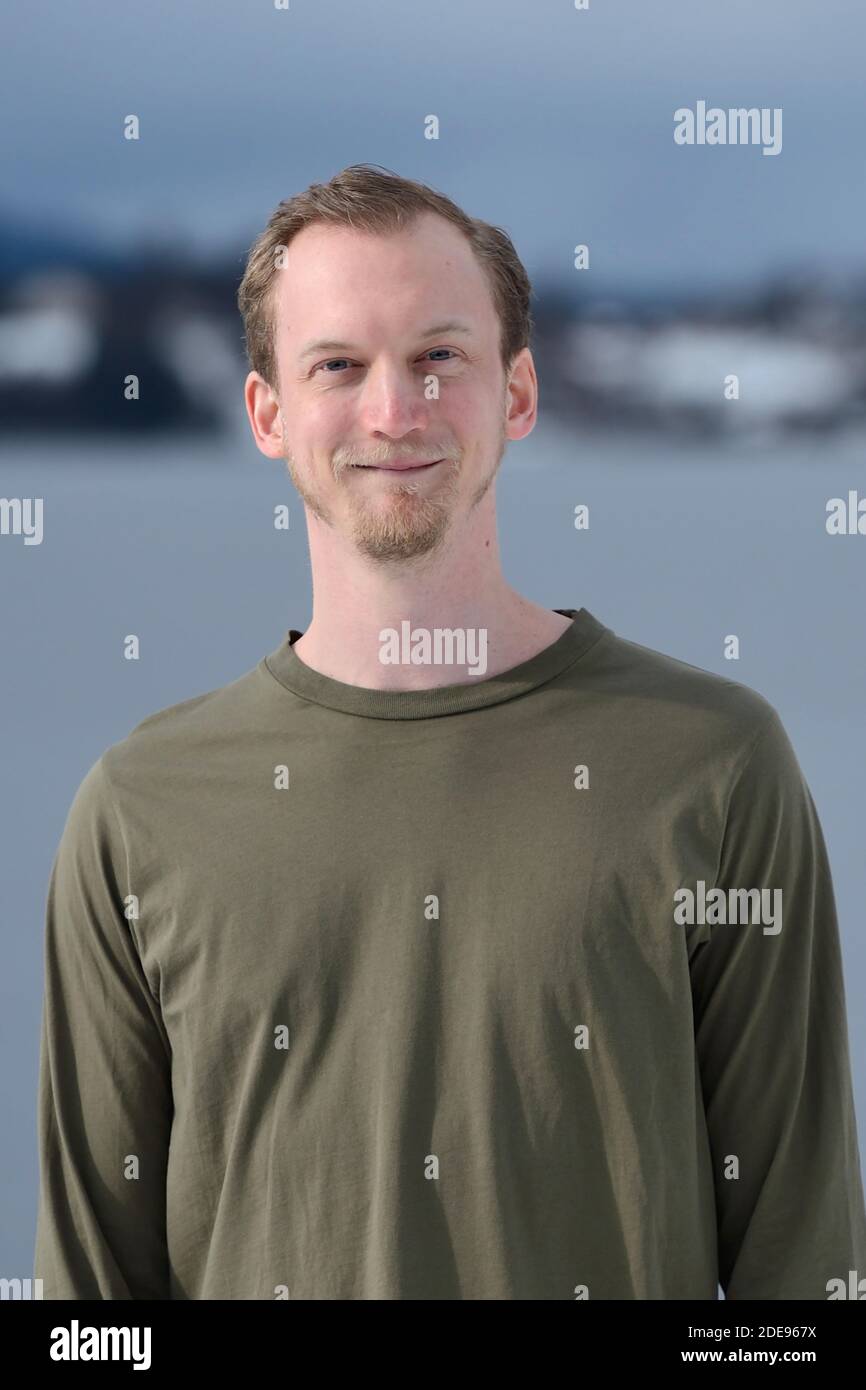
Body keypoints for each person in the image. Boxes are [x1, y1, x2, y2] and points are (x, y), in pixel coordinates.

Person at [34, 164, 866, 1299]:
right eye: (338, 364)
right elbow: (88, 1311)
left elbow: (802, 1273)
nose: (393, 410)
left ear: (514, 394)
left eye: (439, 356)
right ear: (267, 412)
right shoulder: (139, 812)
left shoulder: (713, 769)